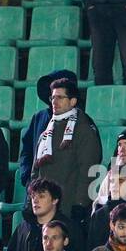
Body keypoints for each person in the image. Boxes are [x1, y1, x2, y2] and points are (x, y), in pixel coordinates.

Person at [32, 77, 103, 241]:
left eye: (60, 97)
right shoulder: (46, 132)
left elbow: (88, 171)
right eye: (52, 97)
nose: (54, 101)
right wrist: (32, 201)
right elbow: (35, 172)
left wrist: (79, 204)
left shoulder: (84, 130)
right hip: (46, 210)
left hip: (69, 209)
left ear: (73, 101)